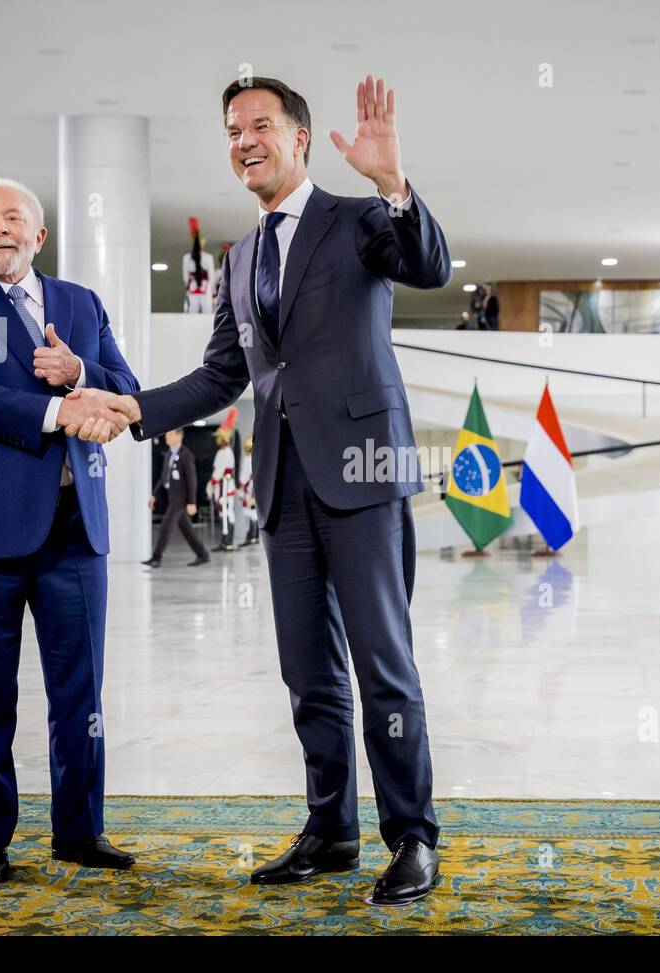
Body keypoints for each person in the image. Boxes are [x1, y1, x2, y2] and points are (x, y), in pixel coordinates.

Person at [83, 74, 447, 905]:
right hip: (284, 485)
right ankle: (332, 829)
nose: (243, 140)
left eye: (259, 126)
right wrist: (134, 407)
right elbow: (223, 372)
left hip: (364, 471)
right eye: (231, 130)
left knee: (384, 665)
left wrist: (392, 184)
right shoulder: (241, 257)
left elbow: (429, 265)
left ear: (300, 139)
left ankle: (414, 837)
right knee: (307, 671)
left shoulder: (358, 219)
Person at [0, 178, 140, 885]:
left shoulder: (82, 302)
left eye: (13, 218)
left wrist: (79, 371)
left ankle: (79, 831)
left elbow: (126, 388)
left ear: (40, 236)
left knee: (82, 695)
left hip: (75, 529)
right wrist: (60, 413)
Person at [142, 427, 210, 568]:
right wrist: (154, 495)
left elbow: (192, 480)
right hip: (172, 497)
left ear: (179, 436)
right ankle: (203, 554)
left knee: (166, 525)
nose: (166, 437)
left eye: (170, 434)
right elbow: (164, 478)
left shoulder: (186, 455)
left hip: (181, 499)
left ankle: (156, 558)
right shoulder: (168, 455)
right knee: (187, 529)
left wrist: (192, 502)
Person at [208, 426, 238, 551]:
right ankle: (226, 541)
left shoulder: (224, 452)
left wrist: (212, 482)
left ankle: (227, 541)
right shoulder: (226, 451)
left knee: (226, 512)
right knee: (225, 512)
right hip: (225, 485)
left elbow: (219, 471)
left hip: (224, 486)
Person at [238, 433, 259, 546]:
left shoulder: (248, 458)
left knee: (250, 511)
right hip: (253, 486)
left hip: (249, 487)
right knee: (253, 511)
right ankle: (254, 536)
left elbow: (244, 475)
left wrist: (241, 484)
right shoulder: (256, 455)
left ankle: (252, 535)